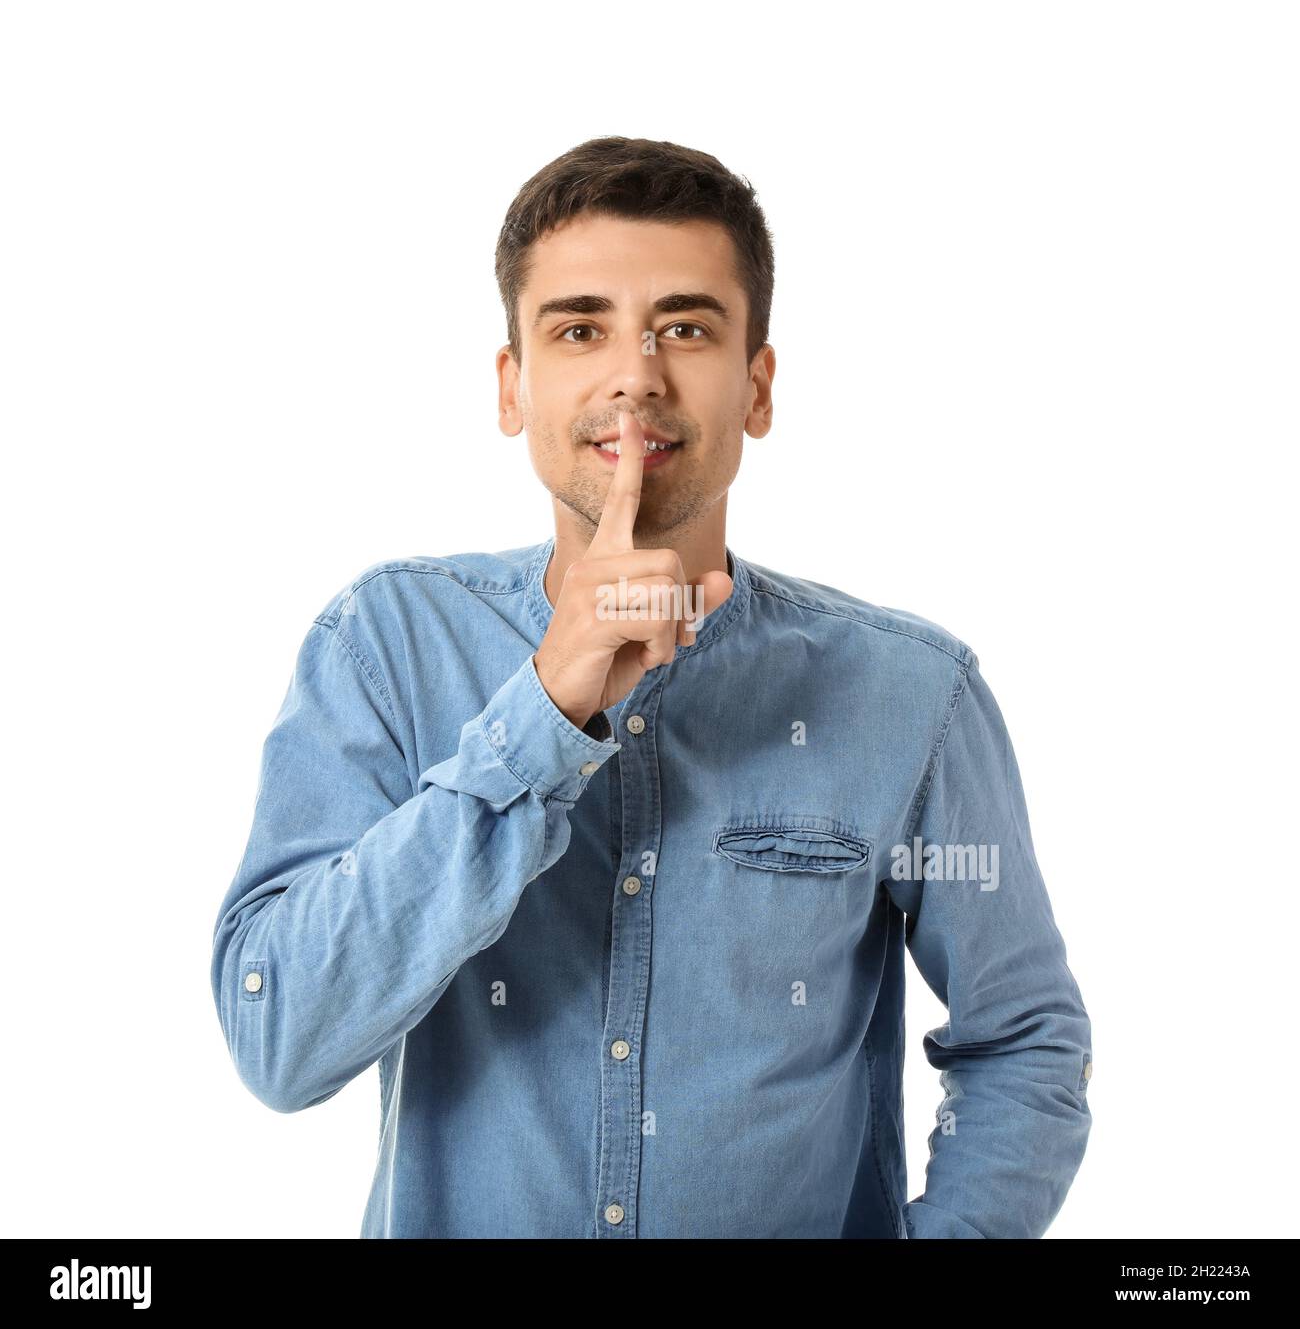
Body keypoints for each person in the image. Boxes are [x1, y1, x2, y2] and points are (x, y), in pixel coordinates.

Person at [209, 136, 1093, 1239]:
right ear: (512, 386)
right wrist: (542, 711)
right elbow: (280, 1036)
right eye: (580, 328)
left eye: (685, 326)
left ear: (757, 386)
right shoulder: (384, 647)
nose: (635, 373)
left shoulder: (910, 694)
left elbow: (1023, 1037)